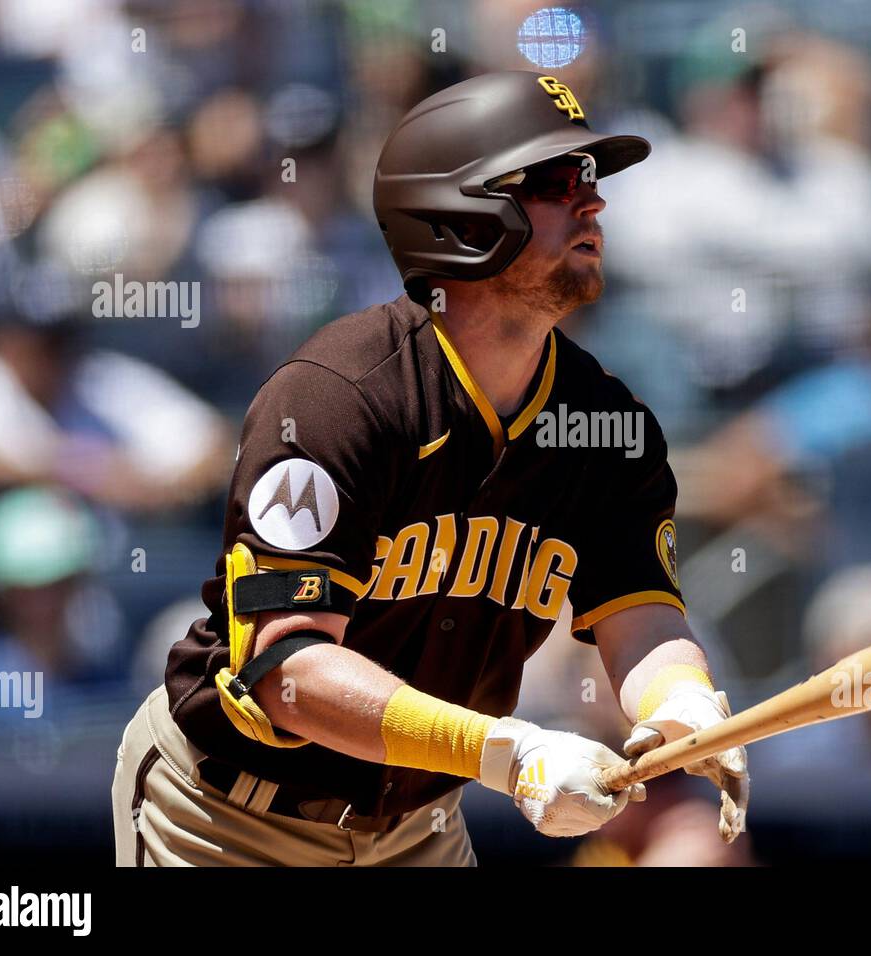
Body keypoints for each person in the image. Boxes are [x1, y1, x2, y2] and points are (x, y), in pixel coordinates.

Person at [111, 70, 749, 867]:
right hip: (228, 813)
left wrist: (680, 701)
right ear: (461, 214)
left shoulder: (608, 426)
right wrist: (506, 753)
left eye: (592, 180)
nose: (594, 203)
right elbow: (289, 669)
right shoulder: (337, 396)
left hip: (416, 822)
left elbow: (643, 616)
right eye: (556, 181)